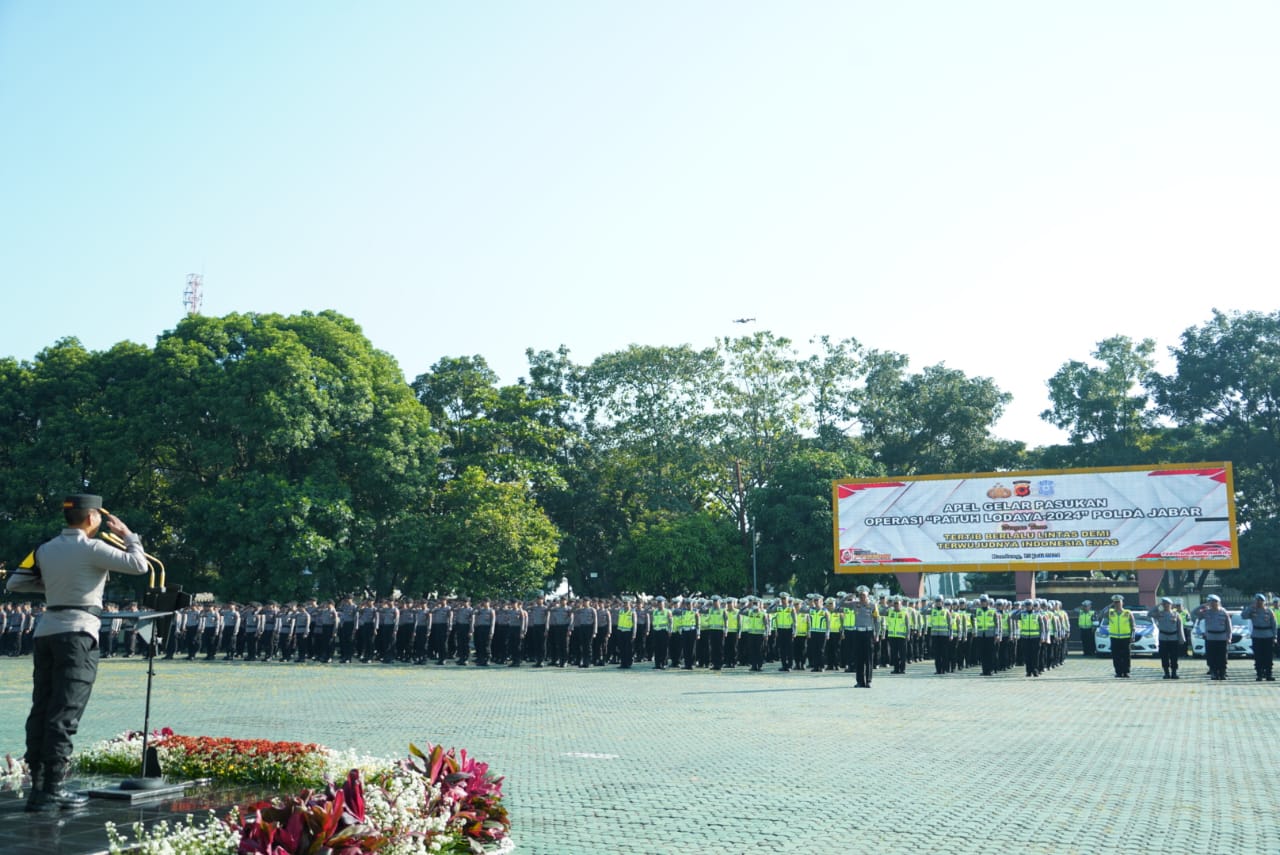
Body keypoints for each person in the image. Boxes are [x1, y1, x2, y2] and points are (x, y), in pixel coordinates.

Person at [6, 494, 149, 812]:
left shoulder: (45, 548)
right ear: (91, 518)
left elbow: (16, 582)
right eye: (98, 516)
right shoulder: (93, 548)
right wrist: (129, 537)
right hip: (78, 634)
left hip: (46, 632)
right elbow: (139, 565)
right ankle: (52, 790)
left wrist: (56, 585)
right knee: (64, 713)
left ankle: (39, 787)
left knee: (41, 708)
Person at [1240, 593, 1276, 681]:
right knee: (1258, 656)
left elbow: (1273, 624)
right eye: (1257, 600)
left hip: (1268, 636)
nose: (1259, 602)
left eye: (1261, 601)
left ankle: (1268, 674)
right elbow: (1243, 616)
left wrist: (1274, 636)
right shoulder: (1253, 610)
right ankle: (1259, 674)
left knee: (1268, 656)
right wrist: (1250, 608)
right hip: (1257, 635)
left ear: (1264, 602)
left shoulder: (1269, 611)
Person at [1197, 595, 1232, 681]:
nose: (1213, 604)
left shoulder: (1224, 612)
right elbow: (1194, 613)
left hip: (1222, 637)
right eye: (1211, 602)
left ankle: (1222, 673)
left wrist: (1229, 637)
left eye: (1215, 602)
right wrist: (1203, 605)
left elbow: (1229, 626)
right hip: (1210, 638)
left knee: (1222, 657)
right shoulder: (1206, 612)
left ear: (1218, 603)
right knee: (1211, 656)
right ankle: (1213, 673)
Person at [1149, 597, 1185, 679]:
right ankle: (1166, 673)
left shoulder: (1176, 614)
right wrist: (1158, 605)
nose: (1166, 605)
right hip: (1163, 638)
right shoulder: (1159, 614)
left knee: (1174, 657)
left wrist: (1181, 639)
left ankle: (1174, 673)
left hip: (1173, 638)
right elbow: (1149, 613)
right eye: (1164, 604)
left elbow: (1180, 627)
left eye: (1167, 604)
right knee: (1164, 656)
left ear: (1171, 605)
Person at [1101, 595, 1134, 678]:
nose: (1117, 604)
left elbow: (1133, 625)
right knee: (1116, 656)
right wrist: (1110, 605)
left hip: (1125, 637)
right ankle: (1118, 672)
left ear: (1122, 603)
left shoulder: (1128, 612)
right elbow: (1101, 614)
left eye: (1118, 602)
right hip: (1114, 638)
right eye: (1115, 602)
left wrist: (1132, 636)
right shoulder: (1111, 612)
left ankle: (1126, 672)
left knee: (1126, 655)